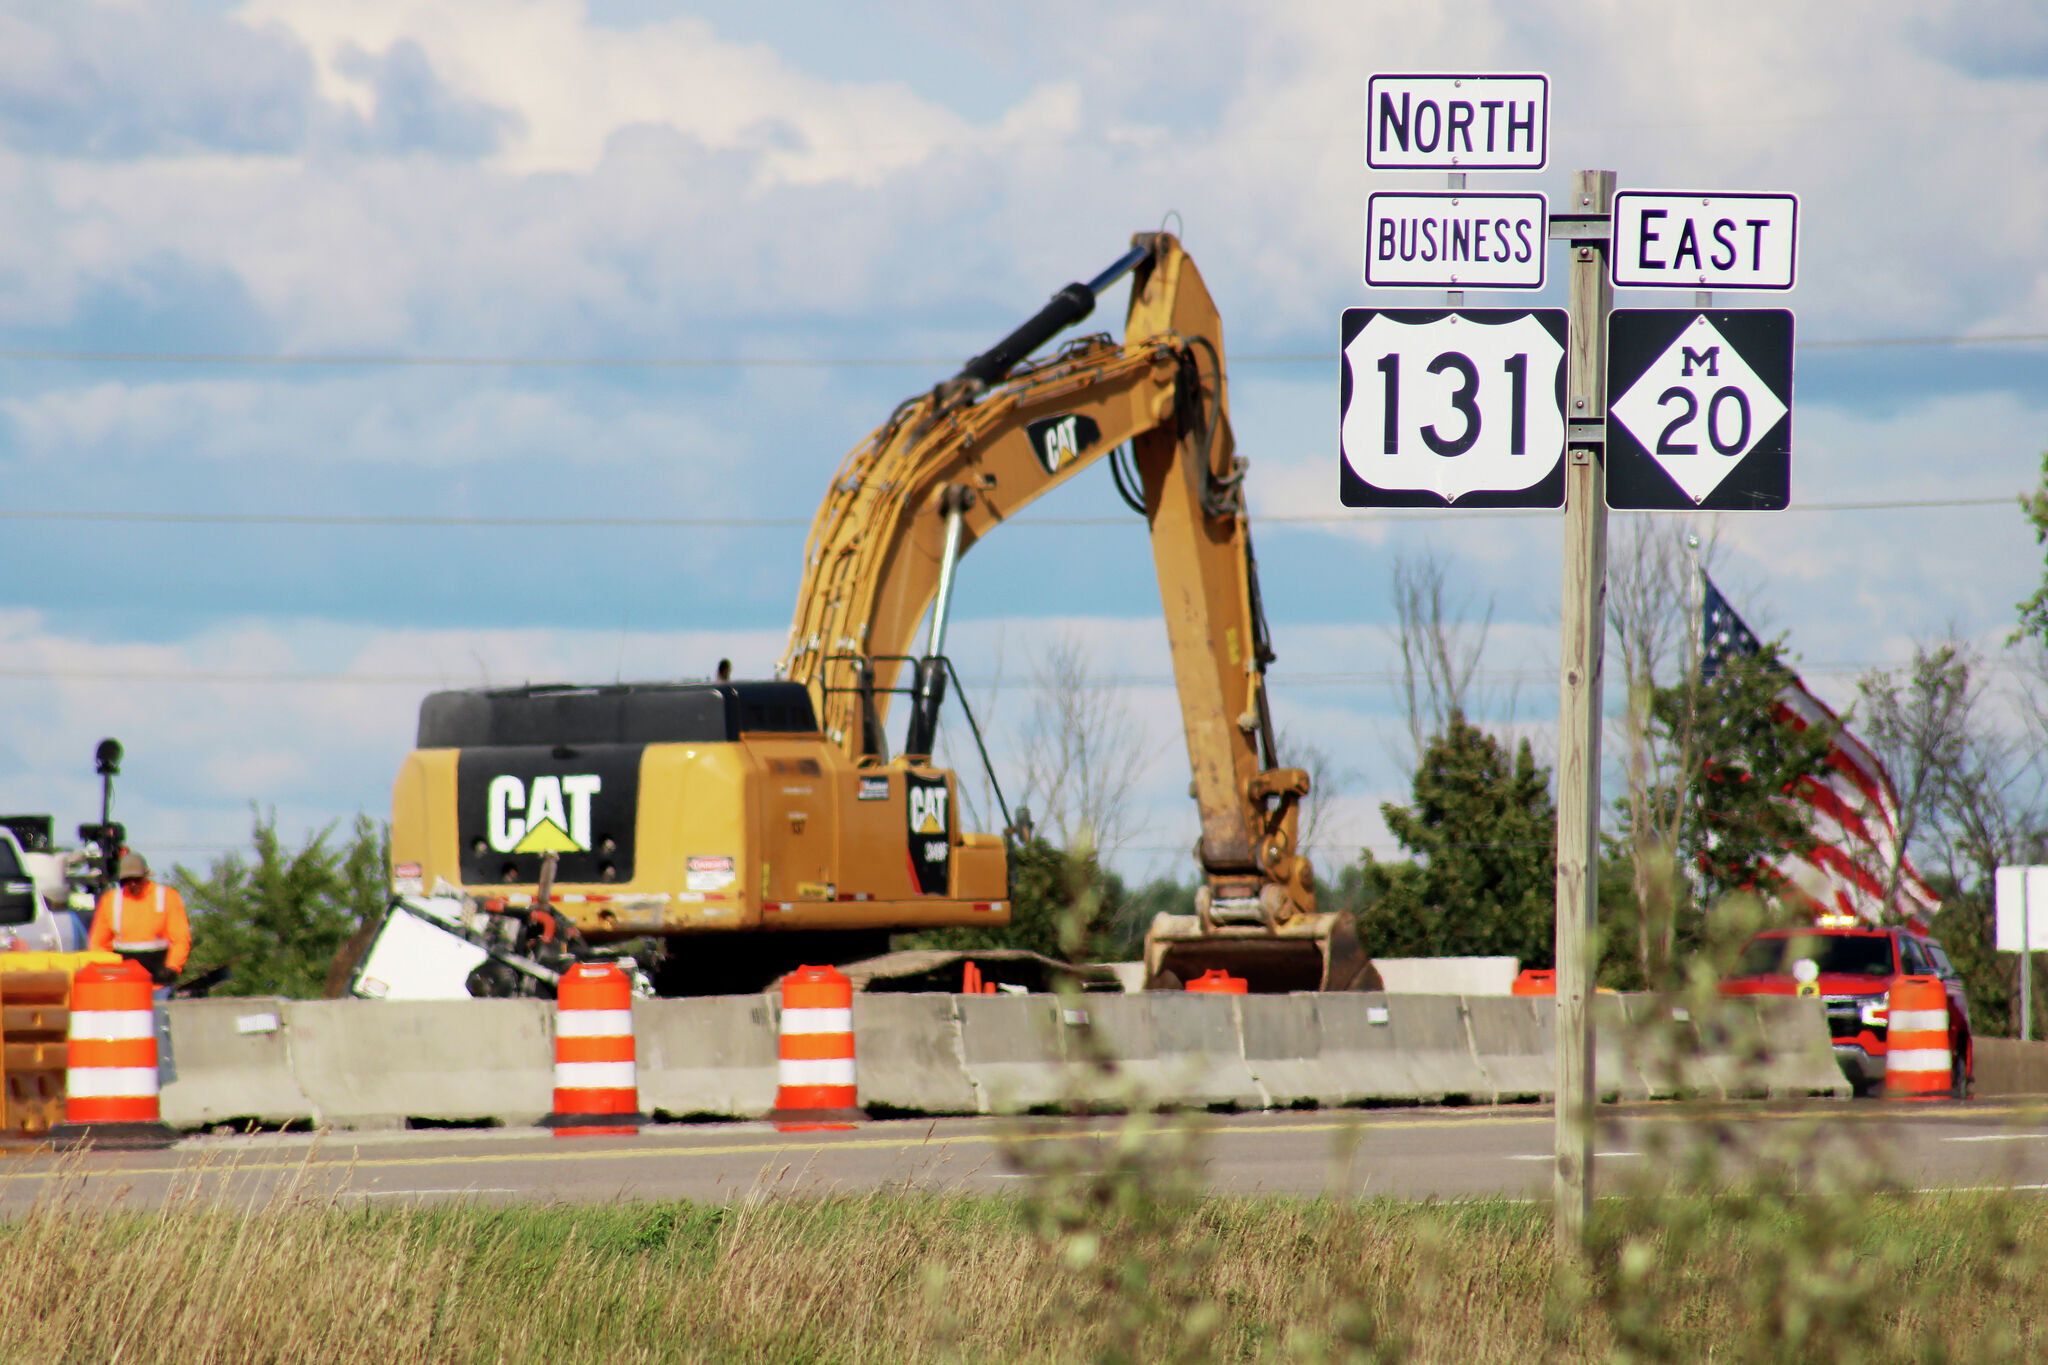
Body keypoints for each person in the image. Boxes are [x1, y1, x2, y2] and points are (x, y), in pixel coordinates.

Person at [88, 851, 190, 996]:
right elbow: (97, 945)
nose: (132, 884)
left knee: (159, 1010)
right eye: (127, 880)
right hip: (122, 984)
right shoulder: (110, 901)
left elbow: (181, 939)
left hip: (159, 984)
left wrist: (172, 968)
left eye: (137, 879)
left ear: (146, 876)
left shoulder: (167, 897)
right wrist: (111, 971)